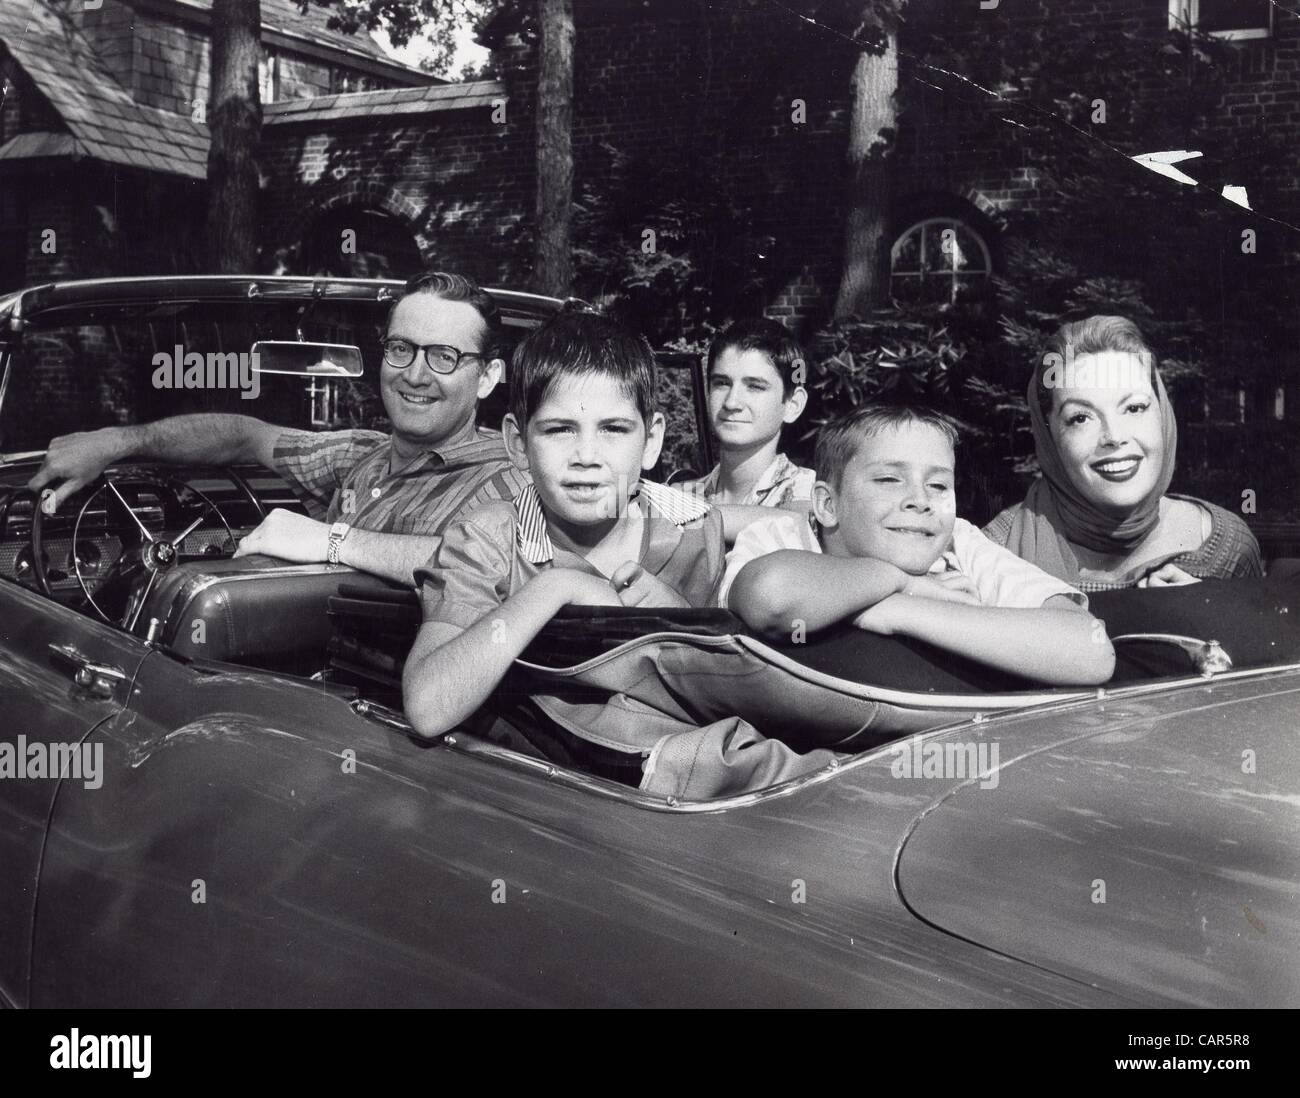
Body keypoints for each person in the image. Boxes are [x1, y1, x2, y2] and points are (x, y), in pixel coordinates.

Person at [27, 271, 528, 585]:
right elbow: (245, 434)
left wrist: (333, 541)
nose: (415, 375)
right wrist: (117, 442)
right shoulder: (359, 455)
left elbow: (504, 567)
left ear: (486, 378)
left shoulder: (508, 478)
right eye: (402, 349)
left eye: (443, 357)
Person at [403, 309, 726, 747]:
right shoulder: (487, 539)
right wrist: (555, 588)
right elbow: (428, 706)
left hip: (672, 776)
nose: (586, 455)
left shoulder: (694, 529)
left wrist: (677, 621)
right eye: (559, 429)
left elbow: (723, 690)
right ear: (518, 444)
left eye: (613, 428)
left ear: (650, 441)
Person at [721, 402, 1116, 686]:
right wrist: (907, 583)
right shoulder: (784, 538)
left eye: (939, 485)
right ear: (827, 504)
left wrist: (898, 610)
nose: (921, 500)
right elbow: (770, 597)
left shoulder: (960, 544)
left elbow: (1091, 649)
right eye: (890, 480)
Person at [983, 315, 1263, 589]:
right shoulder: (992, 553)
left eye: (1134, 408)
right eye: (1081, 418)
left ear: (1162, 415)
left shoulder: (1229, 550)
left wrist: (1207, 608)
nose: (1114, 437)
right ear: (1049, 437)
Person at [676, 318, 815, 540]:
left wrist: (671, 514)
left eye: (755, 387)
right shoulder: (684, 494)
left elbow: (795, 525)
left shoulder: (809, 492)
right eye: (721, 383)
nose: (732, 402)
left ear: (793, 405)